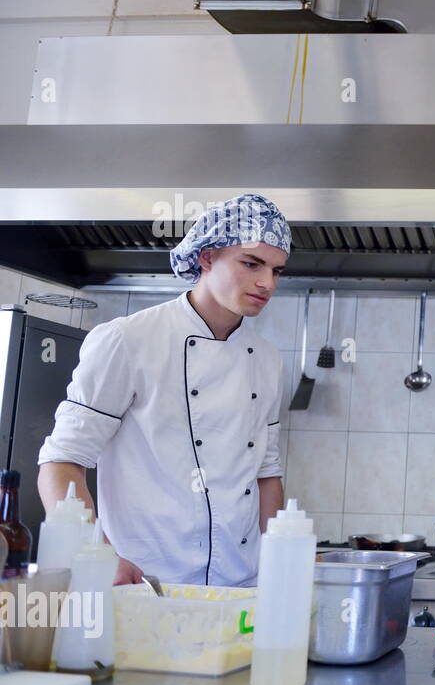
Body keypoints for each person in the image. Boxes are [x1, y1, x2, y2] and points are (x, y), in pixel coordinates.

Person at [37, 193, 290, 586]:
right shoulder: (128, 340)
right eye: (252, 263)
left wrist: (279, 567)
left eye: (277, 270)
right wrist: (97, 554)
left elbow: (266, 472)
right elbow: (61, 462)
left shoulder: (268, 359)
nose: (266, 282)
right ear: (207, 257)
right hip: (145, 583)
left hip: (242, 587)